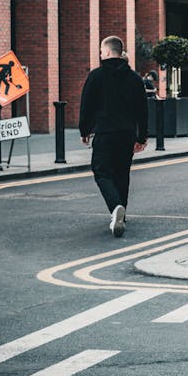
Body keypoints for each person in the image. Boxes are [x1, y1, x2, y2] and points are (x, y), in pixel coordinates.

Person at [78, 35, 148, 237]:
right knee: (121, 173)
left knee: (101, 171)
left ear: (107, 52)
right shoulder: (135, 78)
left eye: (101, 51)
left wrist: (85, 130)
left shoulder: (96, 76)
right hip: (126, 134)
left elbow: (87, 106)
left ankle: (116, 206)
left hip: (104, 132)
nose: (100, 54)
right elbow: (142, 110)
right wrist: (141, 137)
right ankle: (122, 214)